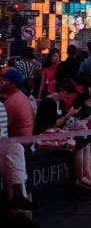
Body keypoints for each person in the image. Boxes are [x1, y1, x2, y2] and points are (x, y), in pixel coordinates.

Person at [0, 68, 37, 210]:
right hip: (20, 143)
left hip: (17, 143)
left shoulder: (10, 103)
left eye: (6, 80)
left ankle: (17, 201)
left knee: (15, 151)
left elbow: (3, 130)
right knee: (14, 152)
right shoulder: (19, 98)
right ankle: (18, 200)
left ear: (13, 83)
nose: (2, 82)